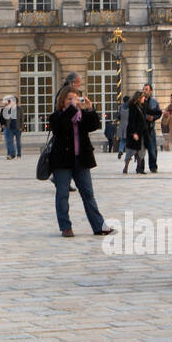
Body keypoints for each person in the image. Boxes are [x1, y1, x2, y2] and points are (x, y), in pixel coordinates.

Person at [47, 87, 114, 237]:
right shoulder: (56, 116)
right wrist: (71, 109)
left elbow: (93, 126)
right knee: (62, 194)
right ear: (62, 101)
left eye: (75, 98)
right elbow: (60, 128)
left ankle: (99, 226)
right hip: (62, 161)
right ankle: (65, 227)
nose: (72, 102)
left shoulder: (81, 115)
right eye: (69, 99)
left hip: (81, 160)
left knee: (88, 194)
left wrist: (90, 110)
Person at [122, 91, 148, 174]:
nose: (144, 98)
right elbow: (132, 121)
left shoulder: (141, 107)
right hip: (135, 132)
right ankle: (126, 167)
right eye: (143, 97)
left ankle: (140, 168)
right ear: (139, 98)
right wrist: (134, 133)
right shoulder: (133, 107)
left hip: (141, 132)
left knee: (140, 151)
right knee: (131, 151)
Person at [140, 84, 163, 172]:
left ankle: (153, 167)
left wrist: (153, 118)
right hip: (141, 129)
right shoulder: (139, 101)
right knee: (141, 149)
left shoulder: (154, 102)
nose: (144, 91)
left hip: (150, 128)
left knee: (152, 149)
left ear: (150, 91)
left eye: (146, 89)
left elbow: (158, 113)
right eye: (144, 89)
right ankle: (140, 167)